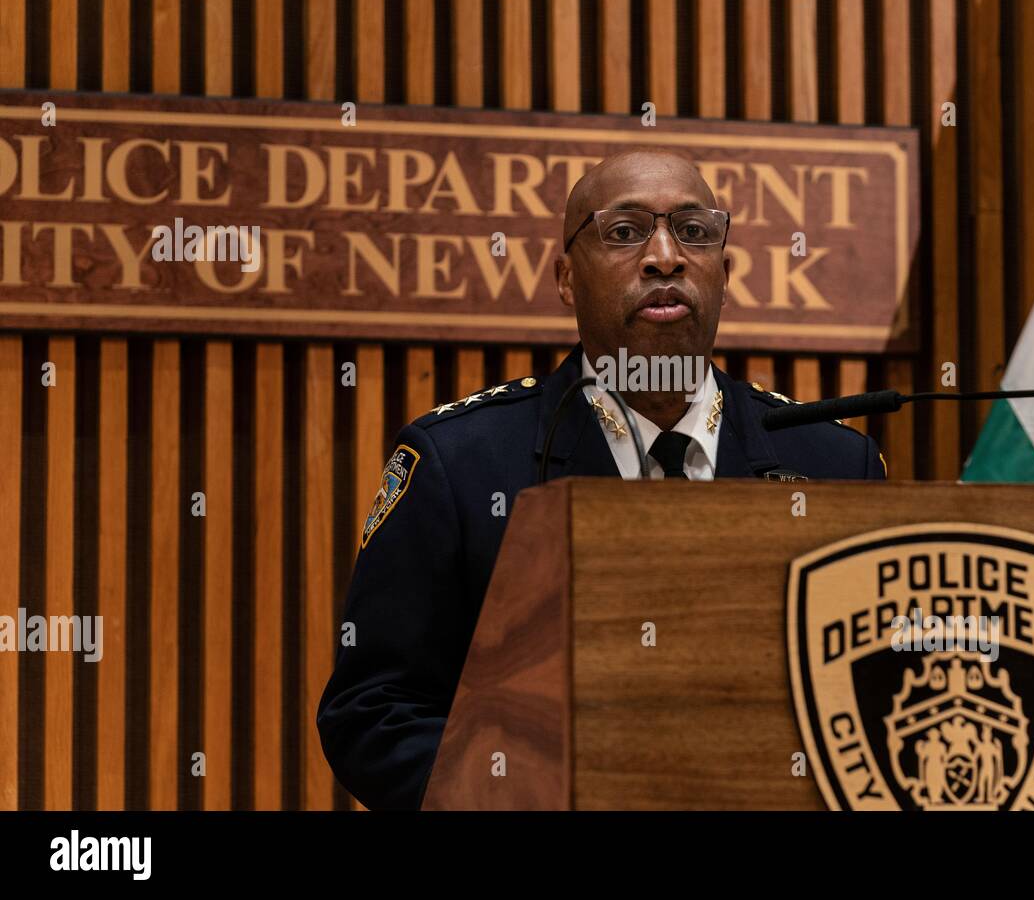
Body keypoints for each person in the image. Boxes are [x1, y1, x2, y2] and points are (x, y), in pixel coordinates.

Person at [316, 148, 887, 809]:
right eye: (625, 232)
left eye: (694, 231)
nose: (665, 256)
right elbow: (374, 711)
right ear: (565, 277)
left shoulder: (834, 463)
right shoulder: (461, 464)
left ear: (724, 274)